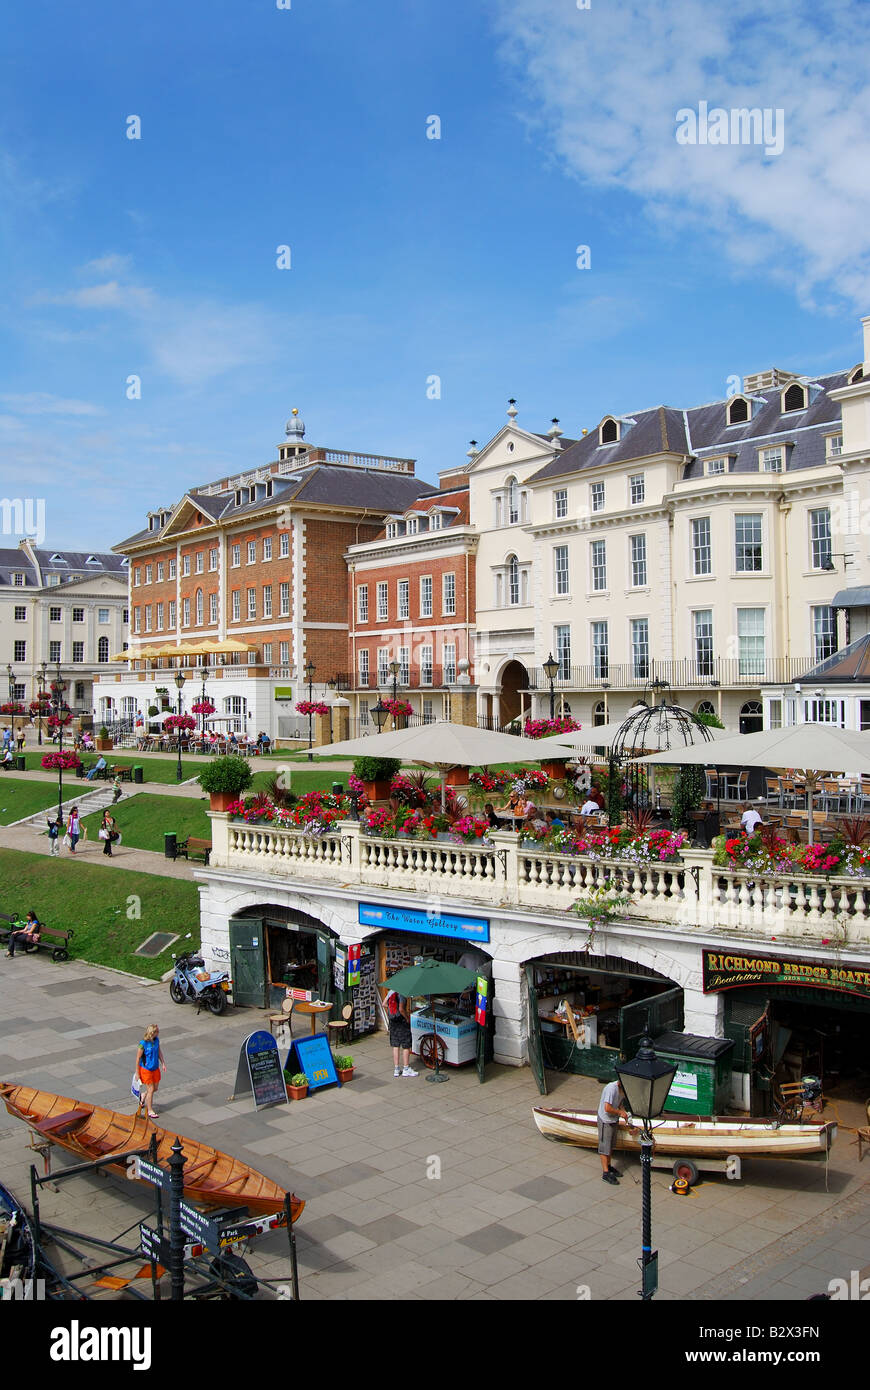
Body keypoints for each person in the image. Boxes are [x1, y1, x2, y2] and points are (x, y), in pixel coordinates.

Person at [597, 1077, 629, 1184]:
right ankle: (605, 1173)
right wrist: (620, 1113)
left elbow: (620, 1103)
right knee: (604, 1146)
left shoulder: (623, 1089)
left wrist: (624, 1112)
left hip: (613, 1119)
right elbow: (607, 1108)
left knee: (611, 1145)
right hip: (605, 1119)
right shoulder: (611, 1089)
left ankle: (609, 1167)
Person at [385, 978, 418, 1078]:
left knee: (395, 1045)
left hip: (393, 1022)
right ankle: (406, 1069)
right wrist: (407, 1017)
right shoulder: (402, 993)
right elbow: (401, 1009)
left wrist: (391, 1012)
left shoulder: (391, 992)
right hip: (401, 1022)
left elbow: (383, 1004)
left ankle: (396, 1069)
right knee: (406, 1045)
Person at [136, 1024, 165, 1119]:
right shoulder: (143, 1043)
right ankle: (150, 1110)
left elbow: (159, 1052)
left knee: (155, 1088)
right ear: (153, 1032)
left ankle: (143, 1095)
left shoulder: (156, 1040)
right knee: (151, 1089)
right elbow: (138, 1058)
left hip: (155, 1068)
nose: (159, 1033)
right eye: (157, 1031)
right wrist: (137, 1073)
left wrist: (163, 1063)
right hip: (146, 1069)